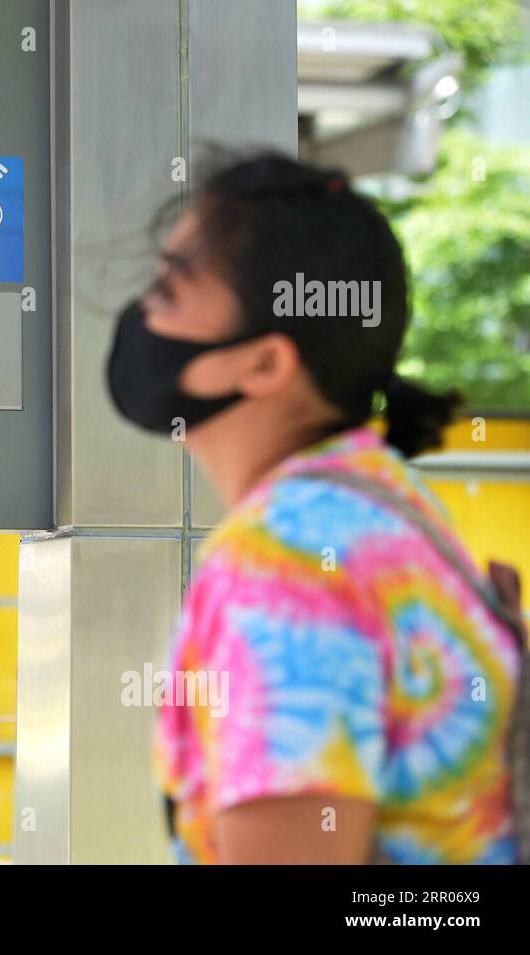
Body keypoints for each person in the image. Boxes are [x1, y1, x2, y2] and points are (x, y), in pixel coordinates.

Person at [108, 154, 524, 864]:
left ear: (265, 364)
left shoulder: (286, 562)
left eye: (172, 290)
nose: (144, 312)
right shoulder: (393, 506)